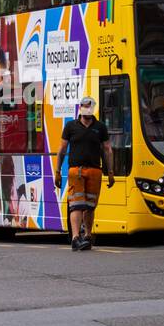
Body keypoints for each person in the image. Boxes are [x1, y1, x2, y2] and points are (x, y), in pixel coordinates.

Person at [53, 96, 114, 251]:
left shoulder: (100, 127)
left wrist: (111, 171)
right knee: (76, 205)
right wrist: (58, 171)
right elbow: (62, 150)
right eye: (86, 106)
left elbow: (107, 149)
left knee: (90, 206)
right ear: (80, 108)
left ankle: (87, 235)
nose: (88, 109)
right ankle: (75, 238)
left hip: (94, 171)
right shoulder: (70, 126)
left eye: (90, 106)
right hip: (76, 171)